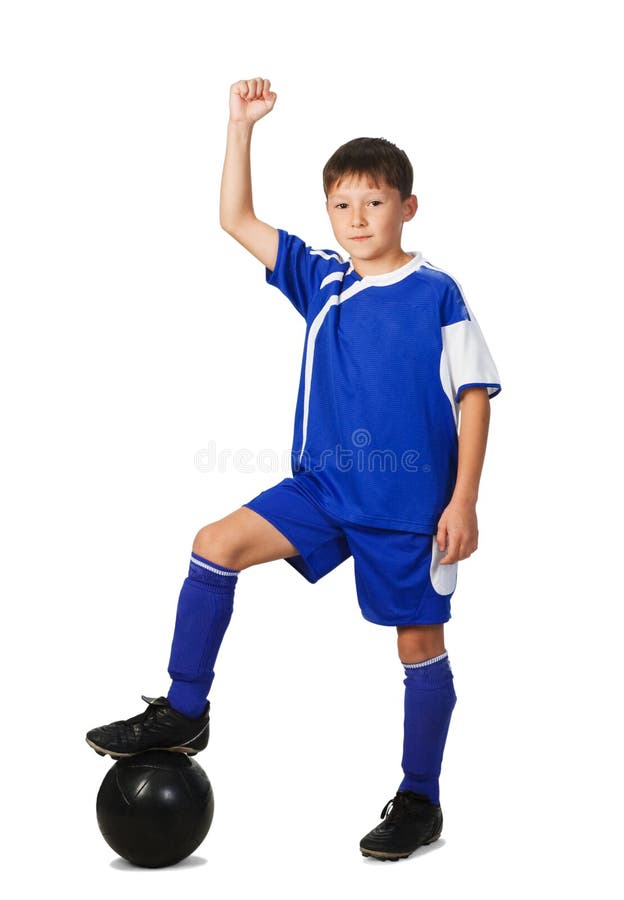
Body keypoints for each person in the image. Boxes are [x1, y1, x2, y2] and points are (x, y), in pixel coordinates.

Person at [85, 77, 501, 862]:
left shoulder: (437, 292)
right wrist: (240, 127)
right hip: (322, 490)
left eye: (373, 204)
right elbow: (234, 219)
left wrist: (464, 501)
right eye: (342, 206)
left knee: (418, 645)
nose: (356, 220)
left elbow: (476, 396)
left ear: (407, 208)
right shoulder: (323, 280)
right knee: (215, 542)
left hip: (410, 507)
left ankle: (420, 799)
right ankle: (183, 708)